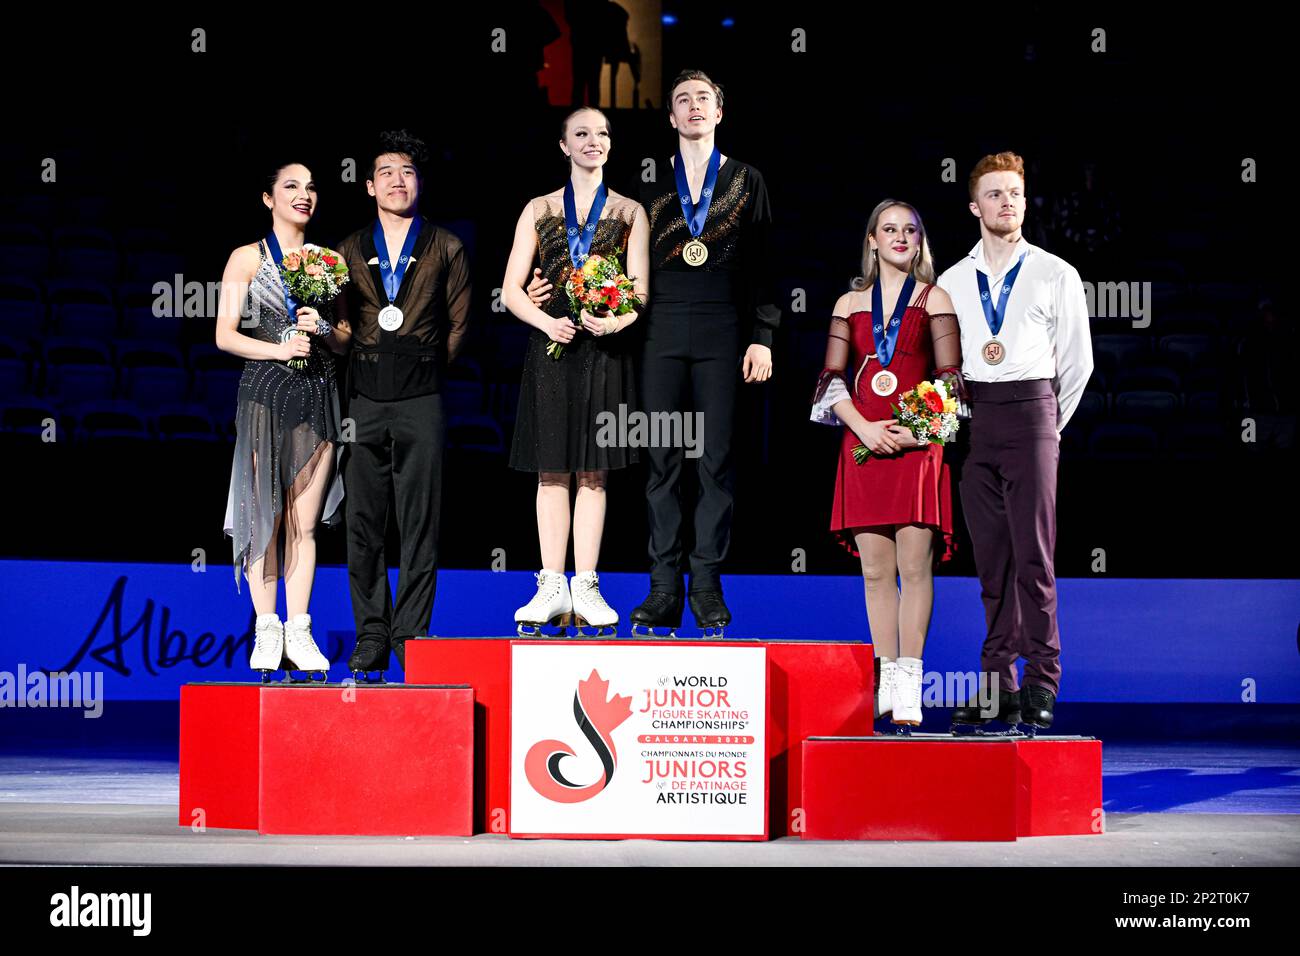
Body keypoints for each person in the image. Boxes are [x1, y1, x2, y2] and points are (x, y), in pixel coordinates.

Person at [531, 69, 777, 637]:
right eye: (682, 100)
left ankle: (708, 588)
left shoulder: (747, 179)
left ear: (720, 112)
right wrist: (553, 288)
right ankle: (663, 587)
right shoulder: (647, 181)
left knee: (714, 461)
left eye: (704, 99)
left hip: (722, 334)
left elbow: (765, 267)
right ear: (670, 117)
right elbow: (604, 254)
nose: (693, 107)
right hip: (657, 335)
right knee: (662, 462)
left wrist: (762, 336)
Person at [940, 152, 1094, 732]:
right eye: (996, 194)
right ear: (974, 205)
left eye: (1016, 193)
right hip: (977, 419)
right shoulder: (952, 281)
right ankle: (996, 687)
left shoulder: (1056, 273)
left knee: (1035, 556)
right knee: (992, 562)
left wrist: (1047, 427)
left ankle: (1041, 681)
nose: (1008, 202)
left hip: (1033, 413)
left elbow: (1077, 365)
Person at [810, 201, 961, 728]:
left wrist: (913, 429)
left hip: (917, 447)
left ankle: (910, 684)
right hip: (863, 443)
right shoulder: (848, 301)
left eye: (910, 230)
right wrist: (864, 428)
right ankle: (886, 678)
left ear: (920, 241)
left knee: (915, 567)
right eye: (890, 229)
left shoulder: (934, 297)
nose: (900, 237)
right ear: (872, 239)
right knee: (875, 570)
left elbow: (950, 380)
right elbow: (830, 380)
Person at [504, 106, 649, 636]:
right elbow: (510, 291)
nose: (594, 141)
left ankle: (585, 584)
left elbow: (640, 293)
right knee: (550, 469)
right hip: (552, 350)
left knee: (595, 470)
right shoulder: (538, 208)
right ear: (563, 145)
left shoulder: (631, 210)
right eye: (582, 133)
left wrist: (615, 323)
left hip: (605, 352)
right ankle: (549, 584)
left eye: (602, 133)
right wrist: (546, 322)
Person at [334, 131, 471, 679]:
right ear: (369, 185)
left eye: (408, 171)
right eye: (386, 172)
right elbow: (341, 325)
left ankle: (410, 635)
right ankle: (371, 635)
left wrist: (424, 367)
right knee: (363, 523)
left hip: (422, 400)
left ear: (419, 182)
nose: (397, 179)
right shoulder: (345, 249)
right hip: (363, 398)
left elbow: (460, 326)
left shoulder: (447, 246)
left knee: (421, 523)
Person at [218, 161, 348, 680]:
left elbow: (345, 339)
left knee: (304, 523)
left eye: (312, 187)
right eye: (291, 186)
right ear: (269, 199)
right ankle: (267, 626)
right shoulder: (245, 258)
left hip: (317, 395)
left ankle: (300, 629)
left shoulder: (329, 261)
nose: (304, 194)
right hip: (264, 395)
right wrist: (278, 348)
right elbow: (225, 335)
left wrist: (327, 330)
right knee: (265, 517)